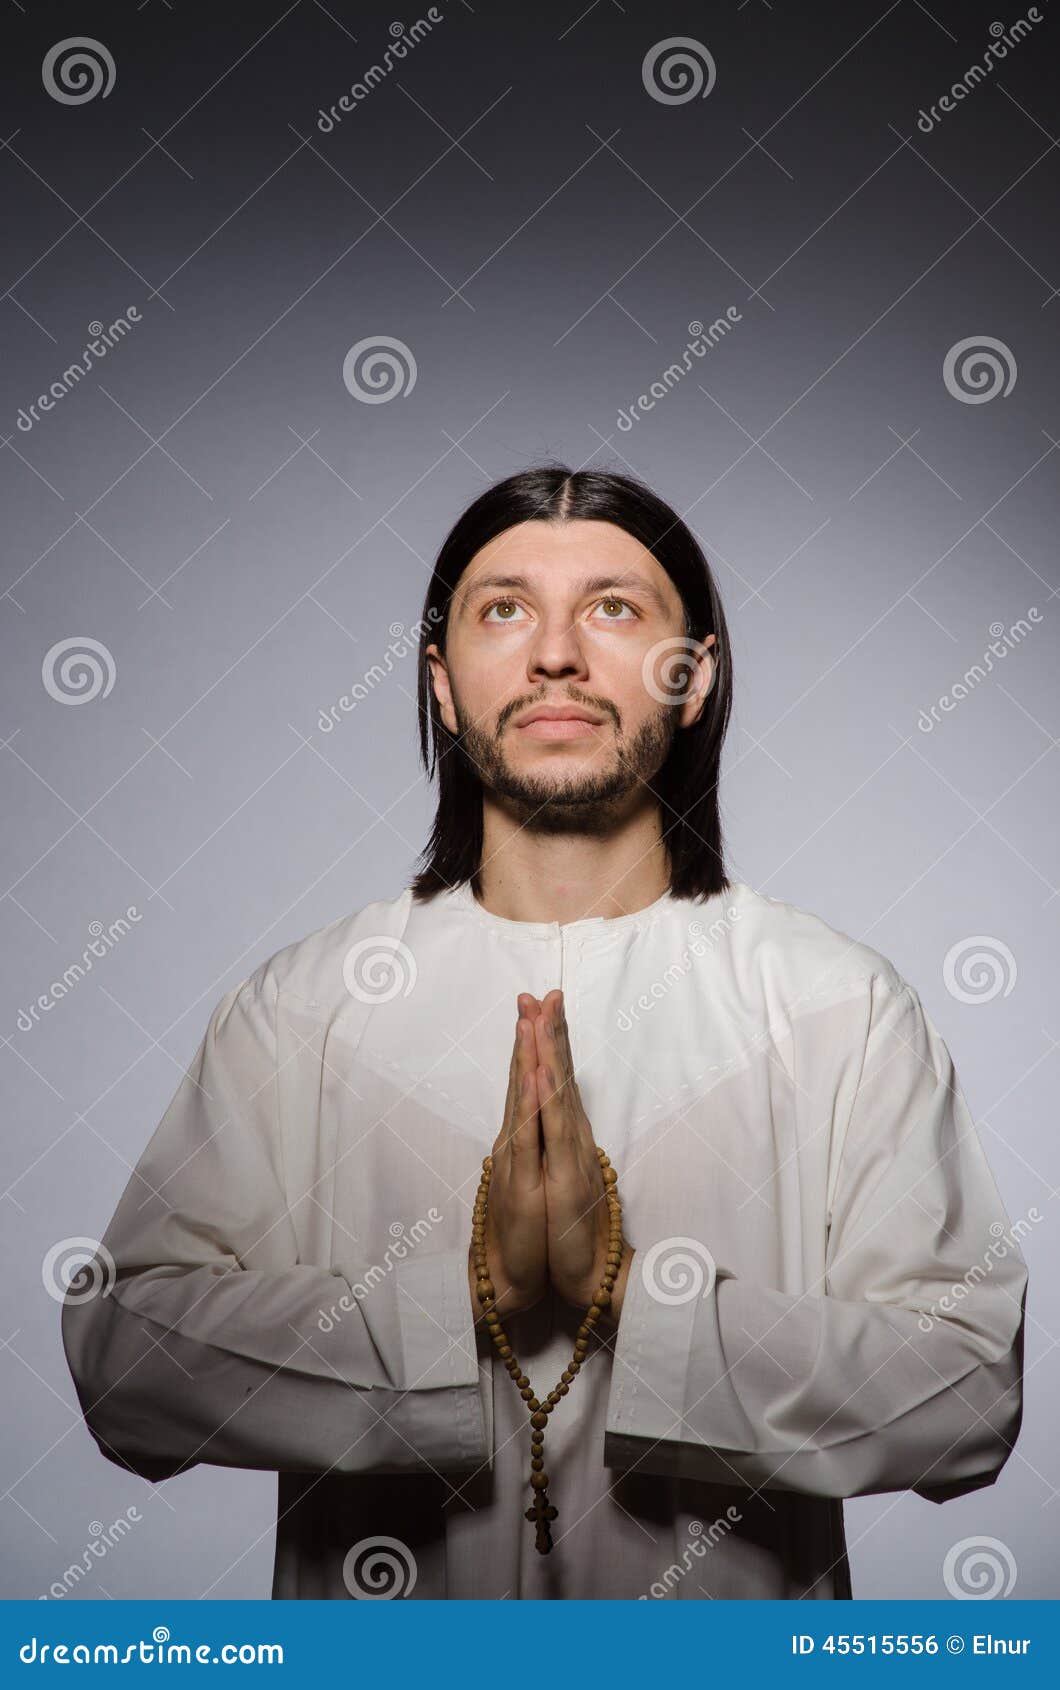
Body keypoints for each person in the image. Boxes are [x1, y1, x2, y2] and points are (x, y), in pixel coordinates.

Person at [62, 465, 1027, 1600]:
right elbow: (129, 1360)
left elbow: (967, 1388)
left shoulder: (836, 1006)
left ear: (695, 675)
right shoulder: (305, 1008)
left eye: (613, 609)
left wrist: (627, 1290)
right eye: (503, 609)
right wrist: (466, 1294)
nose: (556, 654)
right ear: (442, 678)